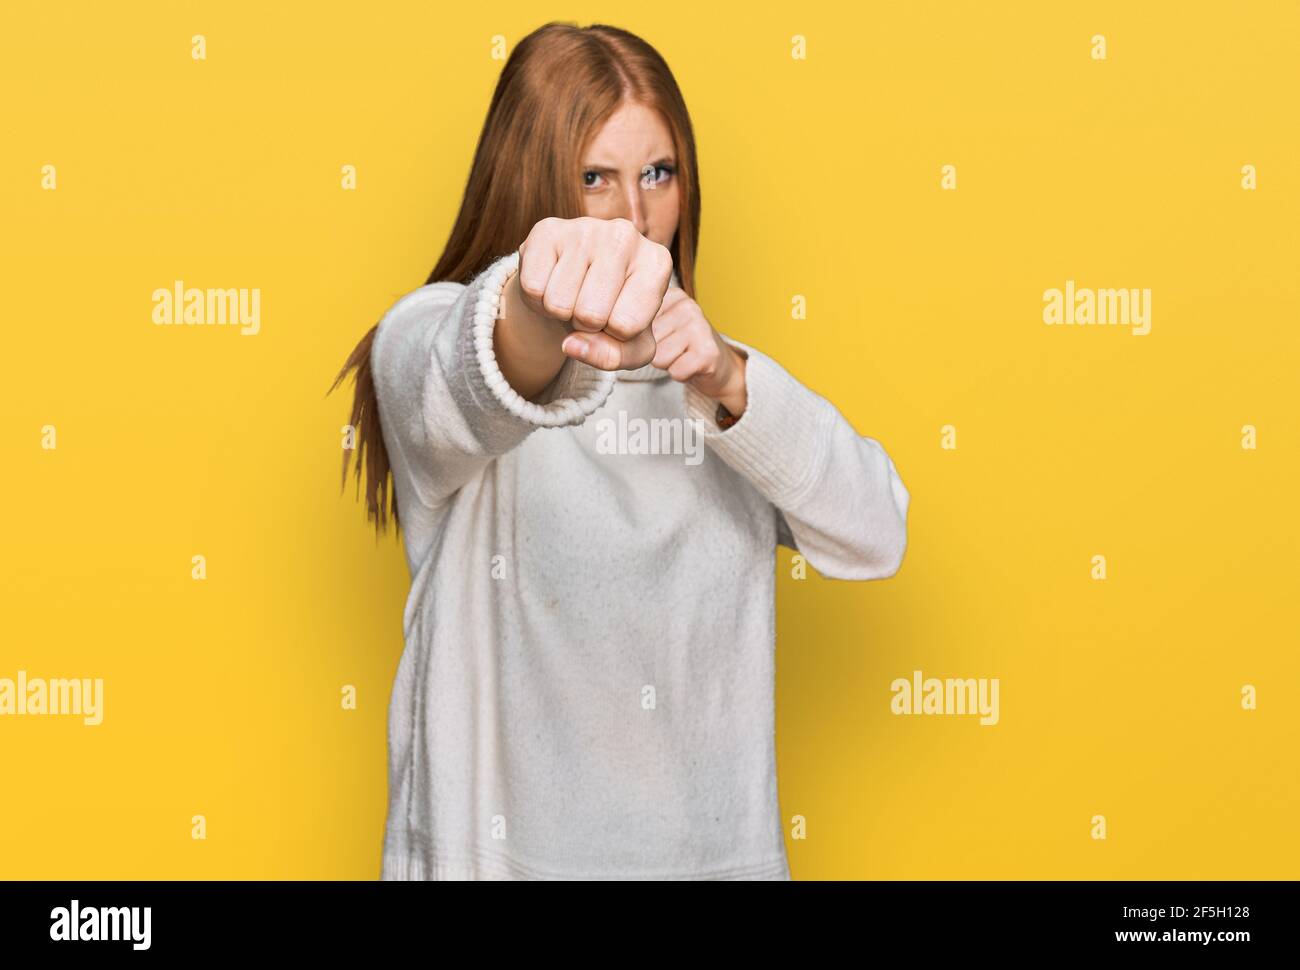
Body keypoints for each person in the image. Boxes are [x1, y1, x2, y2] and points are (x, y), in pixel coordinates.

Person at [331, 20, 910, 880]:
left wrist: (722, 376)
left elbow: (876, 532)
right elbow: (472, 369)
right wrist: (536, 308)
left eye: (658, 174)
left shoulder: (720, 387)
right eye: (594, 177)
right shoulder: (436, 335)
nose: (634, 216)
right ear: (531, 177)